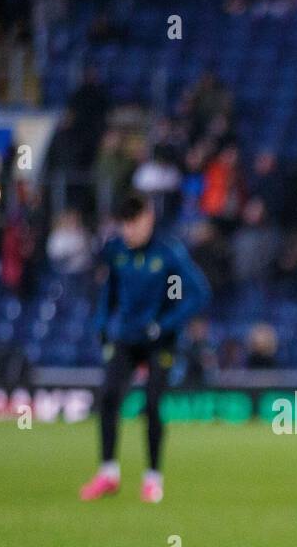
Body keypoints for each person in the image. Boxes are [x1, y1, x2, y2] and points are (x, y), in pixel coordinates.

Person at [80, 193, 211, 504]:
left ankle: (153, 479)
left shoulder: (169, 253)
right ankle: (108, 473)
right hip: (126, 337)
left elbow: (199, 294)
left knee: (152, 404)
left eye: (134, 223)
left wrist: (164, 325)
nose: (129, 231)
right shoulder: (116, 252)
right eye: (124, 224)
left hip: (159, 342)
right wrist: (101, 324)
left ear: (148, 219)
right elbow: (108, 292)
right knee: (109, 397)